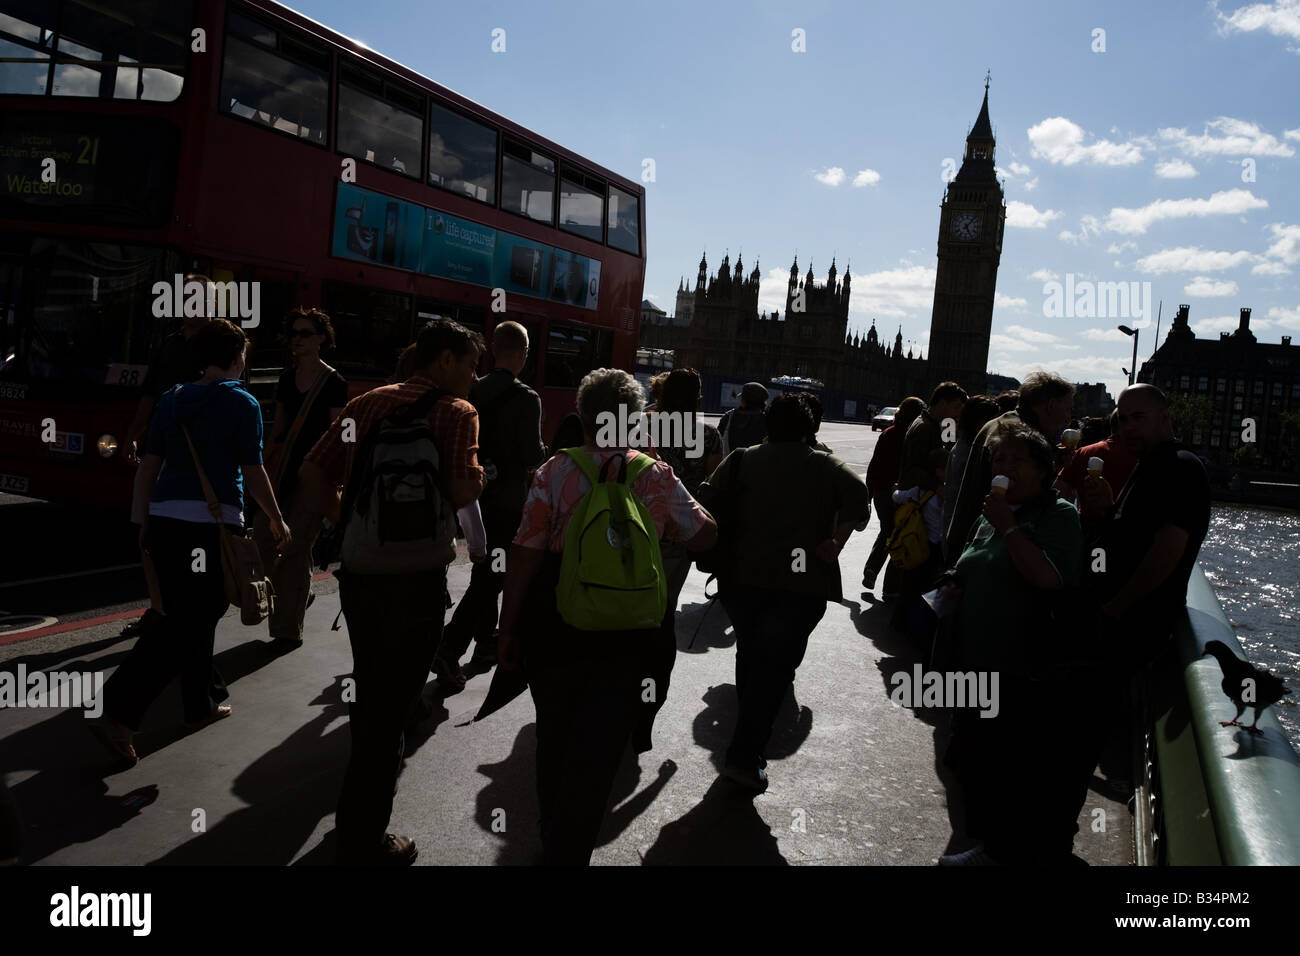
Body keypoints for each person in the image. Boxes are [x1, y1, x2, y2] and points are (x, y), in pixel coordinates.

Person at [496, 368, 716, 865]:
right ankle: (570, 851)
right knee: (598, 752)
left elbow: (525, 554)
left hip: (557, 625)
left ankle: (553, 832)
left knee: (553, 735)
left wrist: (508, 628)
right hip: (630, 632)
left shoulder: (554, 471)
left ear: (584, 415)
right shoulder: (654, 475)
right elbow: (706, 535)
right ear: (636, 420)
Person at [298, 318, 486, 865]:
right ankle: (362, 838)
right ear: (445, 361)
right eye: (471, 366)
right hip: (418, 580)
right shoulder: (457, 415)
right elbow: (459, 490)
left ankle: (362, 810)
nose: (474, 379)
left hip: (360, 575)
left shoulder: (365, 405)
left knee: (373, 691)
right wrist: (478, 480)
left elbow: (312, 475)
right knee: (391, 708)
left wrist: (351, 523)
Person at [94, 319, 291, 766]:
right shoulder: (243, 403)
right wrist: (277, 518)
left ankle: (199, 705)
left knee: (189, 614)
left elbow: (148, 465)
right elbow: (253, 470)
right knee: (188, 620)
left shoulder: (173, 398)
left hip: (165, 519)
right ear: (237, 357)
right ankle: (118, 714)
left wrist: (141, 518)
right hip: (210, 526)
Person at [700, 395, 870, 792]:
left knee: (750, 655)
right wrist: (836, 542)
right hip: (799, 584)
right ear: (809, 427)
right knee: (776, 669)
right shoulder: (823, 464)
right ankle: (744, 754)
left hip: (742, 579)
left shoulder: (742, 458)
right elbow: (859, 498)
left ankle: (745, 746)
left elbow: (705, 500)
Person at [939, 421, 1084, 865]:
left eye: (1017, 460)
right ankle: (986, 846)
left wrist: (1008, 528)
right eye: (999, 460)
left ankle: (1003, 853)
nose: (1004, 468)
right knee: (966, 762)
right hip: (972, 660)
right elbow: (974, 563)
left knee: (1007, 768)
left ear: (1042, 470)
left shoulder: (1057, 516)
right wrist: (955, 584)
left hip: (1021, 669)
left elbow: (1047, 577)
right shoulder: (990, 514)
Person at [434, 321, 545, 687]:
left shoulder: (472, 388)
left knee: (485, 572)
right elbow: (532, 455)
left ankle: (485, 645)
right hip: (506, 503)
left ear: (494, 349)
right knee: (492, 577)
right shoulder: (527, 398)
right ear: (523, 354)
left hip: (471, 495)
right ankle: (449, 647)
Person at [1081, 384, 1211, 665]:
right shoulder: (1149, 464)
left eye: (1139, 417)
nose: (1128, 427)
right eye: (1124, 419)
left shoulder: (1180, 467)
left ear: (1165, 417)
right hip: (1118, 622)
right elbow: (1133, 535)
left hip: (1134, 630)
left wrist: (1116, 608)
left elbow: (1167, 549)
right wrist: (1108, 509)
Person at [119, 274, 213, 639]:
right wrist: (133, 434)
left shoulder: (219, 344)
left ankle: (188, 611)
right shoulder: (169, 343)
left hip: (194, 454)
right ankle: (158, 608)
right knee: (148, 531)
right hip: (159, 449)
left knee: (190, 537)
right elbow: (150, 394)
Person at [252, 308, 347, 648]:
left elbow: (338, 434)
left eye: (305, 333)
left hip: (315, 475)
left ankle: (286, 630)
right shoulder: (285, 378)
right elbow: (278, 429)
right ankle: (297, 593)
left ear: (322, 338)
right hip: (282, 474)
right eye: (293, 333)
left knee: (295, 547)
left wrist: (336, 481)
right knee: (264, 536)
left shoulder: (334, 383)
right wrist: (260, 464)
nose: (297, 339)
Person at [944, 371, 1075, 561]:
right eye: (1068, 409)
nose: (1068, 419)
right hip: (990, 552)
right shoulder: (1018, 436)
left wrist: (1050, 463)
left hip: (969, 543)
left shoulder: (1002, 423)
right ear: (1051, 405)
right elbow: (1022, 501)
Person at [862, 397, 925, 594]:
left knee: (888, 530)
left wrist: (869, 493)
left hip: (881, 491)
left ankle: (872, 570)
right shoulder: (914, 436)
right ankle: (889, 586)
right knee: (898, 535)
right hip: (901, 492)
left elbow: (875, 464)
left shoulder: (888, 433)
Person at [890, 447, 949, 637]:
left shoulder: (920, 491)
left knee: (908, 587)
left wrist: (896, 489)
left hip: (915, 545)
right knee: (927, 590)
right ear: (938, 471)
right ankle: (917, 627)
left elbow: (897, 497)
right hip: (934, 548)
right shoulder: (945, 494)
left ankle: (898, 623)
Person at [1055, 409, 1138, 537]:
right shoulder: (1145, 458)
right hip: (1129, 535)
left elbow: (1058, 495)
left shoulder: (1083, 453)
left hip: (1085, 533)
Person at [943, 395, 1000, 540]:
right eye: (993, 420)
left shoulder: (963, 446)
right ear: (979, 421)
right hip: (961, 532)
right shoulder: (970, 452)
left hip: (951, 527)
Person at [898, 382, 967, 492]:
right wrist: (937, 487)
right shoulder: (924, 428)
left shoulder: (942, 424)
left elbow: (949, 455)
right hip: (915, 500)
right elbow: (913, 470)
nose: (958, 413)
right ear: (943, 403)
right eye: (956, 407)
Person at [718, 382, 768, 453]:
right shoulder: (767, 420)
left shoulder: (728, 417)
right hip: (756, 462)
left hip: (729, 462)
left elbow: (717, 443)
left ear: (744, 401)